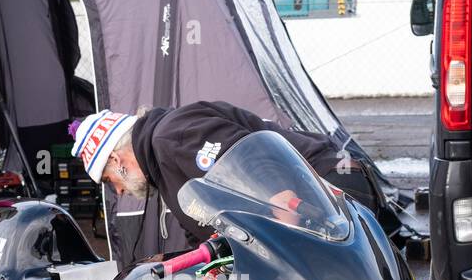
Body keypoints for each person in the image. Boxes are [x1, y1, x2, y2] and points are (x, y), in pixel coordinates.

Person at [70, 101, 380, 248]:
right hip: (312, 198)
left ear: (116, 159)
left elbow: (245, 154)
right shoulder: (163, 173)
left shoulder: (170, 135)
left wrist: (276, 195)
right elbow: (203, 229)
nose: (119, 191)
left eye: (110, 181)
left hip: (328, 184)